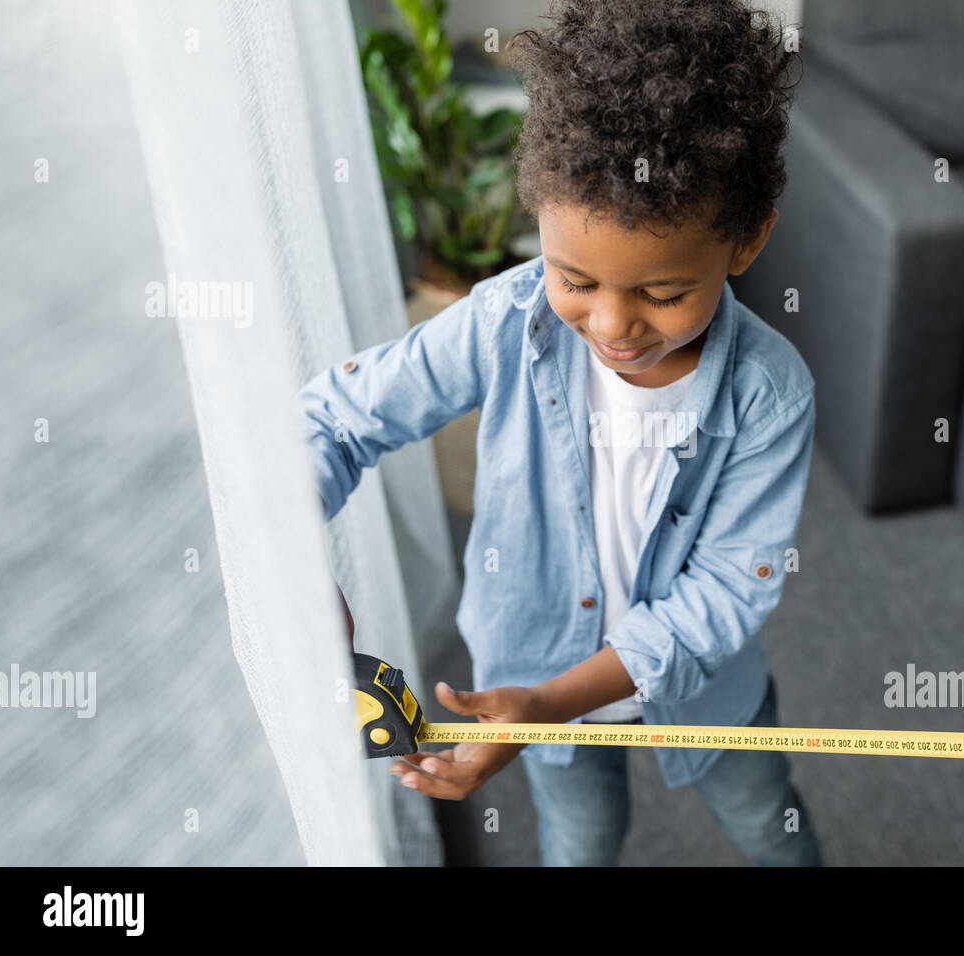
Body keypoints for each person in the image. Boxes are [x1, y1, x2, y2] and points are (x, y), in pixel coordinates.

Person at [297, 0, 821, 866]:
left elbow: (725, 593)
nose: (614, 324)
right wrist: (302, 574)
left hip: (698, 690)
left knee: (770, 823)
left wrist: (555, 701)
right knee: (580, 845)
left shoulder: (770, 395)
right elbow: (330, 422)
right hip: (526, 677)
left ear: (746, 240)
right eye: (574, 277)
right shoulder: (502, 320)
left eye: (662, 294)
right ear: (537, 210)